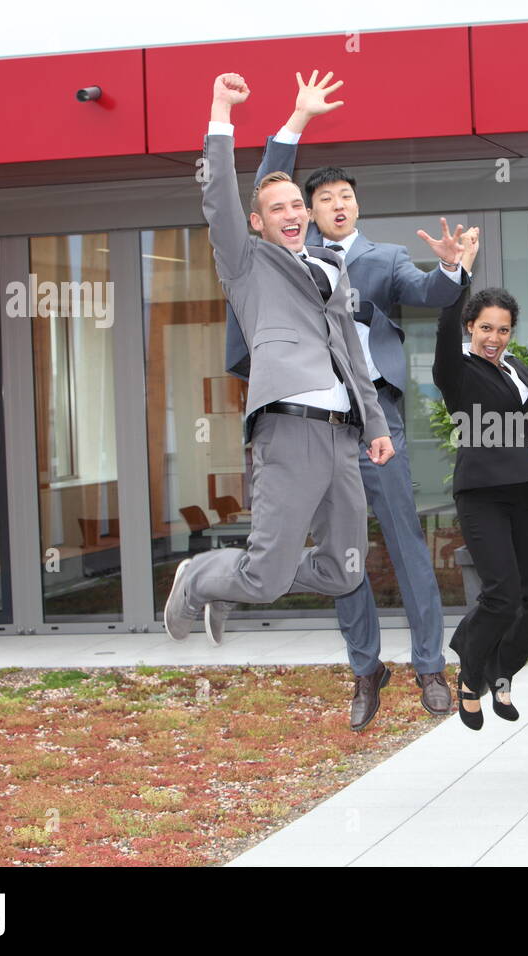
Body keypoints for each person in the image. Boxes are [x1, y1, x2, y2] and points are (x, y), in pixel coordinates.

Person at [224, 71, 471, 730]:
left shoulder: (383, 260)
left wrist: (451, 269)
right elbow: (261, 194)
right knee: (344, 558)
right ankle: (366, 668)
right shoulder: (278, 258)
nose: (334, 205)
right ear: (300, 210)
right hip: (311, 426)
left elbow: (433, 295)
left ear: (355, 207)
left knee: (407, 545)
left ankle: (429, 666)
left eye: (344, 197)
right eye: (321, 197)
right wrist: (295, 120)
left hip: (375, 421)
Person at [165, 74, 396, 676]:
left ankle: (231, 581)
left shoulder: (328, 270)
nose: (292, 213)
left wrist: (374, 423)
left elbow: (351, 354)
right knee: (266, 579)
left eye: (299, 204)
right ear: (259, 223)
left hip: (343, 435)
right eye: (278, 208)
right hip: (288, 430)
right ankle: (202, 577)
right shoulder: (246, 265)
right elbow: (217, 199)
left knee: (345, 569)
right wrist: (221, 110)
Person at [432, 228, 528, 730]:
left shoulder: (516, 369)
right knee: (502, 594)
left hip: (525, 495)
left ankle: (502, 668)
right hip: (482, 496)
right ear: (471, 327)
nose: (494, 338)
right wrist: (461, 273)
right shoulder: (459, 371)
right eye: (485, 328)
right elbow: (446, 328)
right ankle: (471, 672)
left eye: (503, 329)